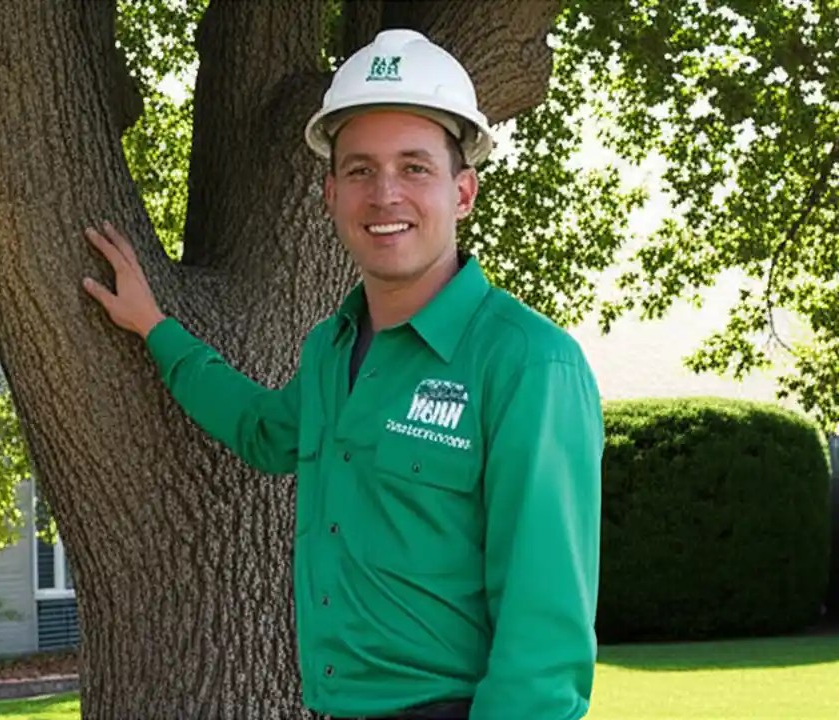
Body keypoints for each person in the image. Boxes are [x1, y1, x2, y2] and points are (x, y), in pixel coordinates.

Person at [81, 28, 603, 720]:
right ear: (330, 194)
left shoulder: (530, 363)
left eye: (414, 167)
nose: (384, 194)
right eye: (360, 170)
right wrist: (155, 328)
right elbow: (261, 429)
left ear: (464, 191)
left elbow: (545, 640)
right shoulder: (332, 349)